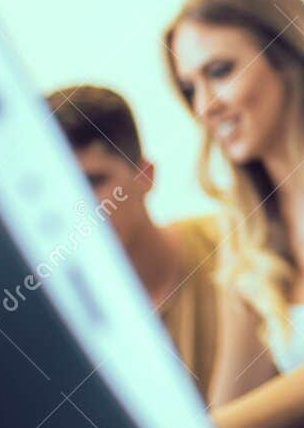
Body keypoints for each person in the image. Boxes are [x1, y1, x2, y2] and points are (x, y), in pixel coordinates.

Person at [165, 0, 304, 428]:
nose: (205, 107)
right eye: (190, 88)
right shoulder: (249, 239)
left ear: (287, 57)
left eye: (220, 71)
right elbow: (232, 415)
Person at [46, 84, 233, 402]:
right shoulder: (57, 313)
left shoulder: (235, 247)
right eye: (61, 189)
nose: (79, 208)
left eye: (94, 182)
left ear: (145, 175)